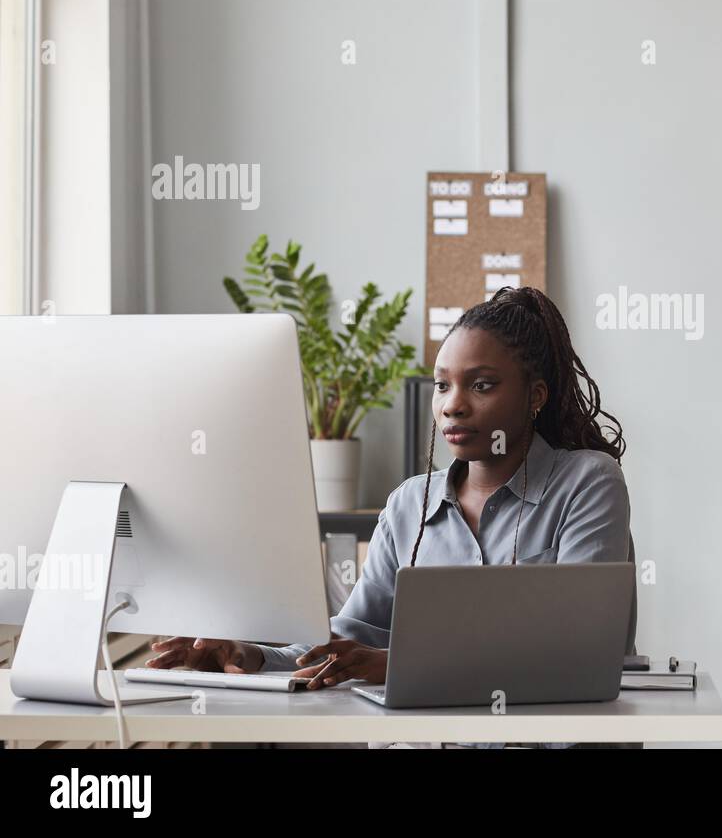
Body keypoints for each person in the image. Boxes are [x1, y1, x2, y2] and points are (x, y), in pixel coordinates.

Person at [146, 287, 634, 744]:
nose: (453, 406)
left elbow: (574, 652)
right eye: (443, 386)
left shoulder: (587, 483)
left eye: (481, 385)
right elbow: (344, 643)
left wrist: (396, 663)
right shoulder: (407, 505)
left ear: (535, 396)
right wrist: (247, 656)